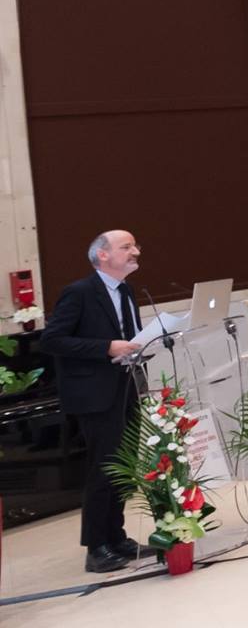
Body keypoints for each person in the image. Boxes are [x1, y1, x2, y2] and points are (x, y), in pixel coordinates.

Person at [41, 230, 148, 571]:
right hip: (95, 395)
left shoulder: (127, 290)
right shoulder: (79, 292)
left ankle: (117, 536)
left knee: (124, 466)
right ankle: (96, 546)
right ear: (103, 255)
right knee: (103, 467)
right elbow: (53, 340)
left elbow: (128, 335)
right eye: (126, 247)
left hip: (126, 388)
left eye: (135, 246)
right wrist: (106, 347)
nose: (135, 251)